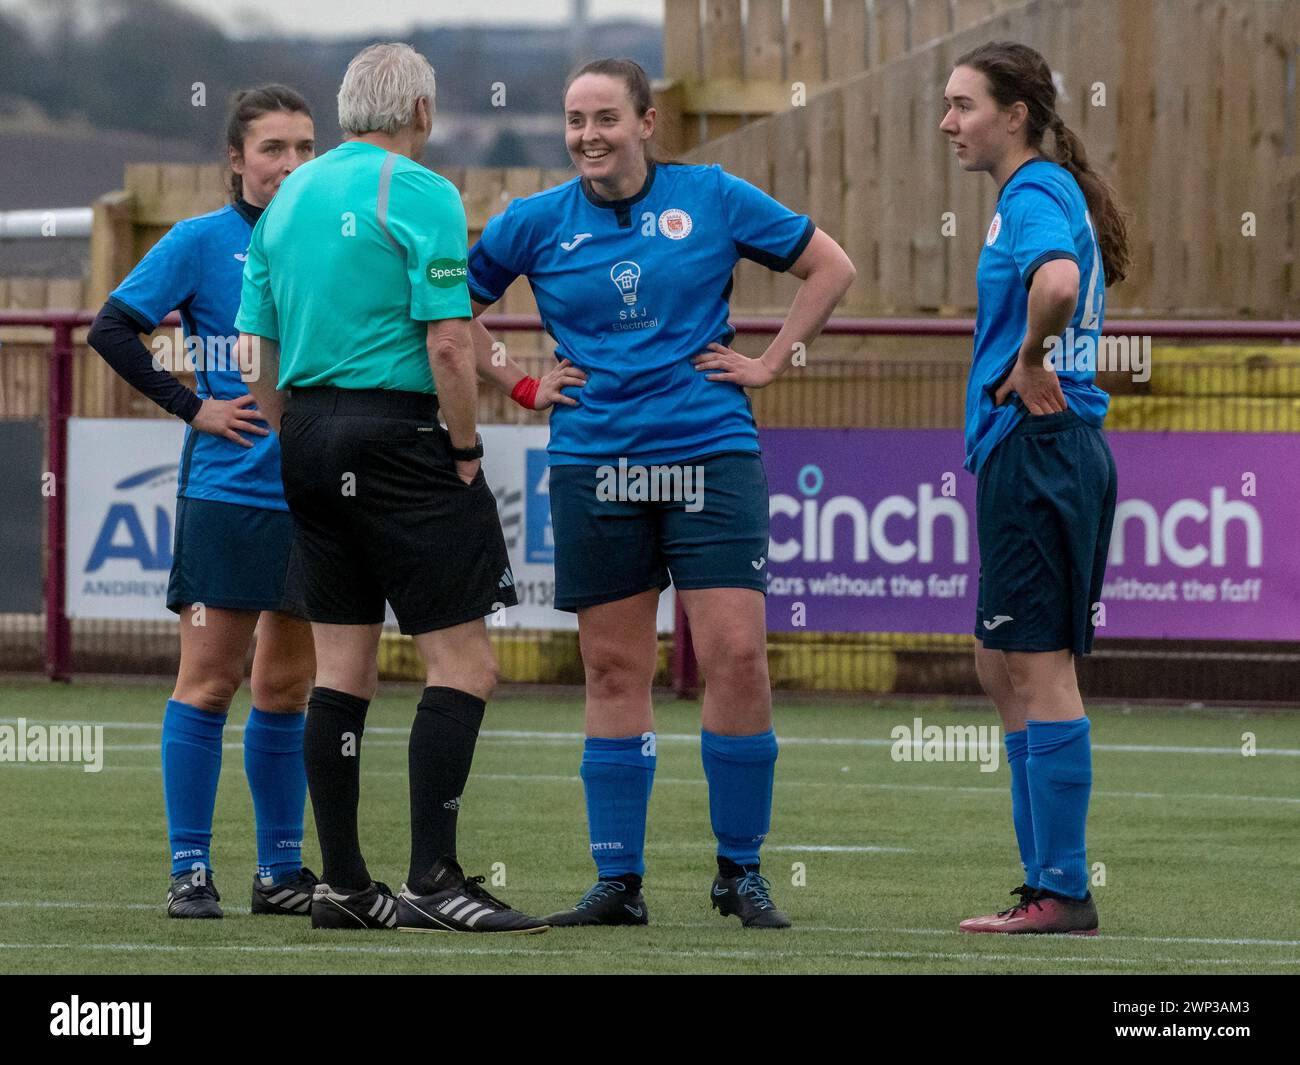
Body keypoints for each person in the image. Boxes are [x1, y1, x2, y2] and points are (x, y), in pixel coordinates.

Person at [468, 58, 856, 929]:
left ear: (647, 123)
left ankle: (740, 871)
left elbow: (831, 267)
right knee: (612, 667)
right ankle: (618, 882)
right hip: (595, 463)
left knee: (737, 655)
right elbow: (446, 310)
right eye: (574, 121)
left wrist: (770, 361)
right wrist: (521, 386)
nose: (588, 136)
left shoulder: (713, 196)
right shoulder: (533, 222)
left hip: (709, 454)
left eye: (606, 118)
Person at [236, 42, 546, 934]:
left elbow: (255, 348)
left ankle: (341, 883)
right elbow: (450, 341)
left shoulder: (286, 198)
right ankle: (437, 879)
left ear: (343, 112)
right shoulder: (418, 191)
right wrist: (462, 446)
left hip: (307, 434)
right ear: (420, 112)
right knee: (464, 665)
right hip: (401, 437)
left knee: (342, 669)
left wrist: (294, 428)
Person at [87, 86, 319, 919]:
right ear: (235, 159)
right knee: (210, 680)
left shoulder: (333, 239)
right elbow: (110, 328)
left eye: (304, 147)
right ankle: (190, 869)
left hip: (315, 499)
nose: (290, 163)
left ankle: (280, 873)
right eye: (273, 148)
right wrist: (197, 406)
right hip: (229, 493)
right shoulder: (198, 241)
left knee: (287, 687)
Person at [939, 41, 1129, 935]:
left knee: (1037, 666)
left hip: (1041, 447)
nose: (949, 123)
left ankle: (1061, 890)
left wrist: (1029, 357)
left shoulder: (1033, 191)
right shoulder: (1040, 190)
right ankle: (1044, 879)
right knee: (1000, 662)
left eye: (964, 105)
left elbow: (1055, 281)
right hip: (1040, 450)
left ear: (1014, 115)